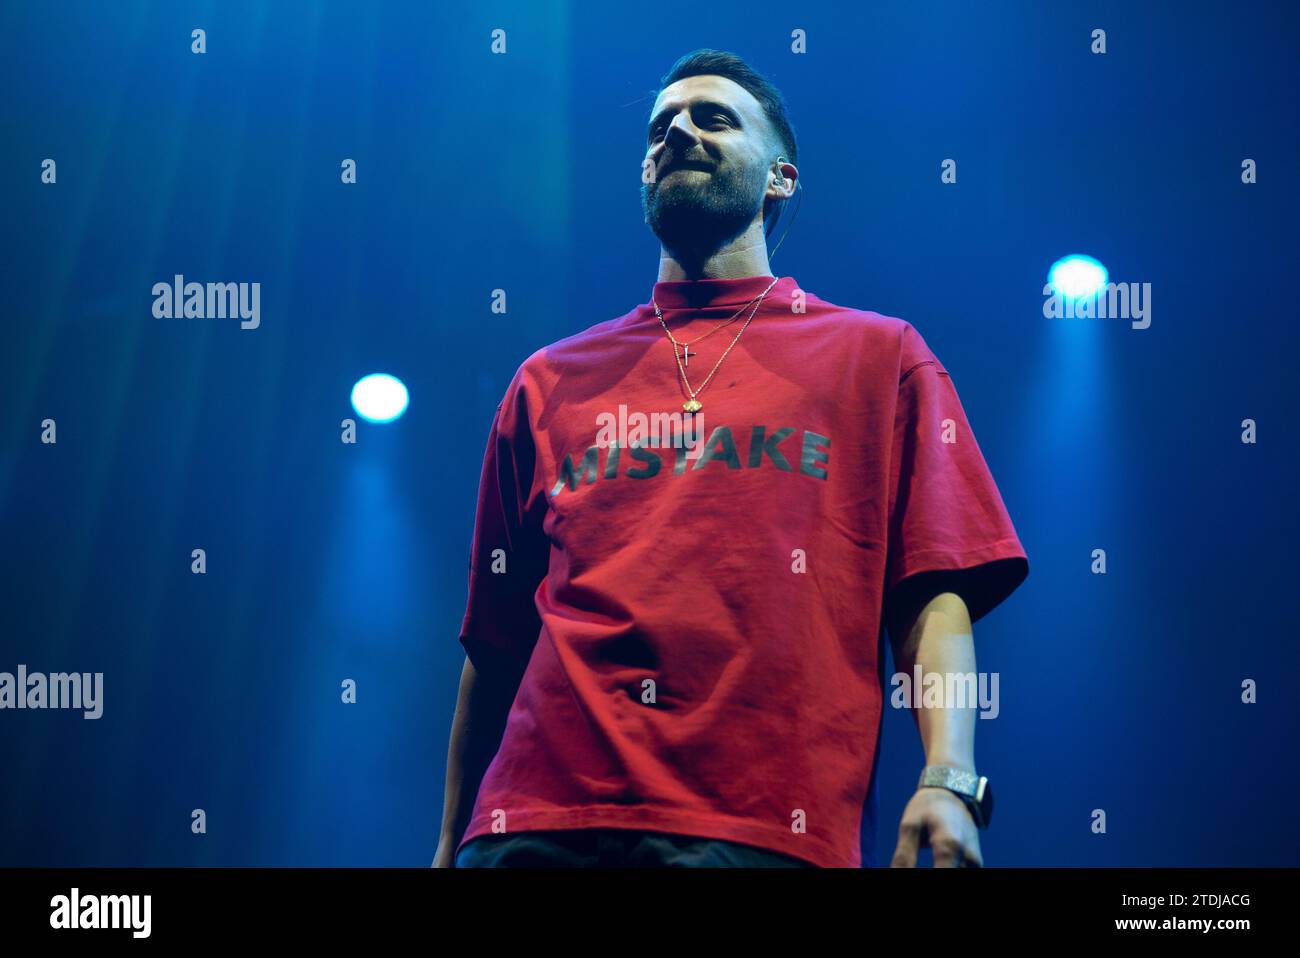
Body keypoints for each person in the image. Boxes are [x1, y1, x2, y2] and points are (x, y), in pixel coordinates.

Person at [433, 49, 1028, 869]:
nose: (678, 129)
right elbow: (494, 648)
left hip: (761, 828)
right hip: (532, 826)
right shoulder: (548, 380)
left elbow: (935, 597)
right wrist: (446, 844)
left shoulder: (879, 356)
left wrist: (950, 777)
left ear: (780, 179)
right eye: (660, 127)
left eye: (713, 117)